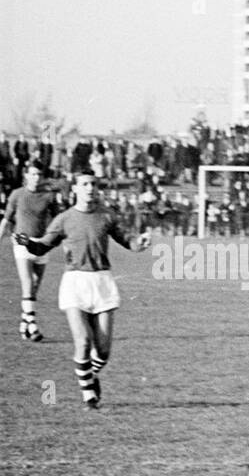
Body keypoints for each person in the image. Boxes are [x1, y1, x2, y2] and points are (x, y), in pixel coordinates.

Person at [14, 172, 151, 408]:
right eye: (85, 184)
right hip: (75, 283)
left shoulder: (106, 216)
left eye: (94, 184)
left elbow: (127, 239)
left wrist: (140, 243)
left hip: (102, 282)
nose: (90, 188)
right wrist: (29, 243)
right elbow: (43, 246)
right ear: (75, 189)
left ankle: (91, 374)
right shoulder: (64, 219)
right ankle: (89, 397)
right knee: (84, 342)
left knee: (104, 350)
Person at [0, 163, 61, 341]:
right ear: (26, 175)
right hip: (21, 242)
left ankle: (24, 322)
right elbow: (6, 220)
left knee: (34, 285)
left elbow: (58, 221)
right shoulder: (17, 194)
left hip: (41, 244)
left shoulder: (49, 196)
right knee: (27, 282)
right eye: (32, 174)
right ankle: (33, 324)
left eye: (38, 174)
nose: (35, 177)